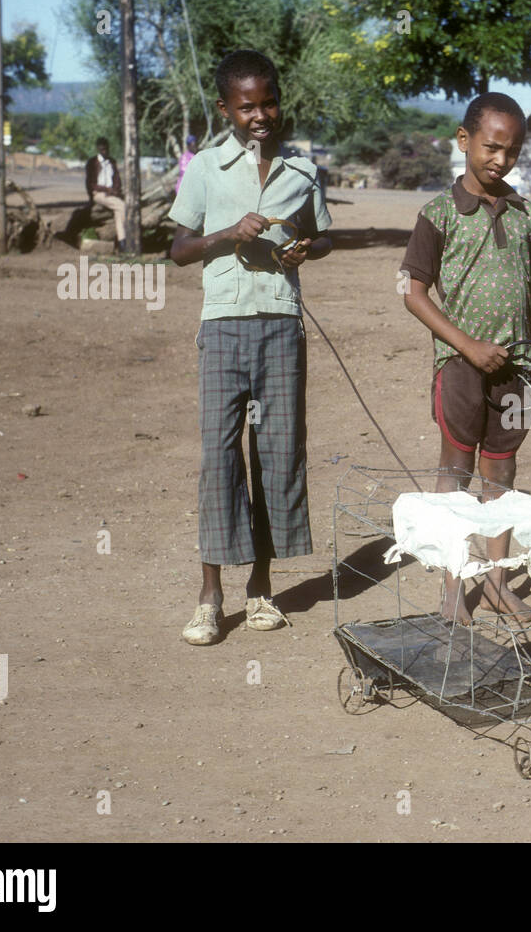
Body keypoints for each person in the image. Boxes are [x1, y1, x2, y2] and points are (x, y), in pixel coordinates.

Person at [167, 49, 333, 646]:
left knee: (278, 452)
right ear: (225, 109)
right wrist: (226, 234)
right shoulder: (206, 168)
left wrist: (303, 251)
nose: (259, 115)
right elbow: (179, 249)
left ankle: (260, 586)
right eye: (246, 106)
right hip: (224, 327)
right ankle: (209, 595)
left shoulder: (304, 171)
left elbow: (321, 237)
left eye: (267, 103)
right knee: (218, 455)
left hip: (282, 327)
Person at [401, 92, 531, 624]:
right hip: (461, 366)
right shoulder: (438, 213)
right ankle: (452, 588)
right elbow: (414, 293)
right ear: (463, 141)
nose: (500, 160)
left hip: (515, 369)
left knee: (502, 474)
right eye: (490, 147)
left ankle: (496, 581)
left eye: (511, 151)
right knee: (454, 473)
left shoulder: (524, 211)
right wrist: (467, 346)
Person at [86, 137, 127, 247]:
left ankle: (122, 242)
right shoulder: (92, 162)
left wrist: (116, 190)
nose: (104, 151)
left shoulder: (112, 162)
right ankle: (123, 240)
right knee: (122, 206)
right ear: (98, 149)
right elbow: (91, 184)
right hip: (98, 193)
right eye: (102, 149)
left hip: (111, 193)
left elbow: (117, 179)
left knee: (119, 211)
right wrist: (107, 190)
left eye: (106, 149)